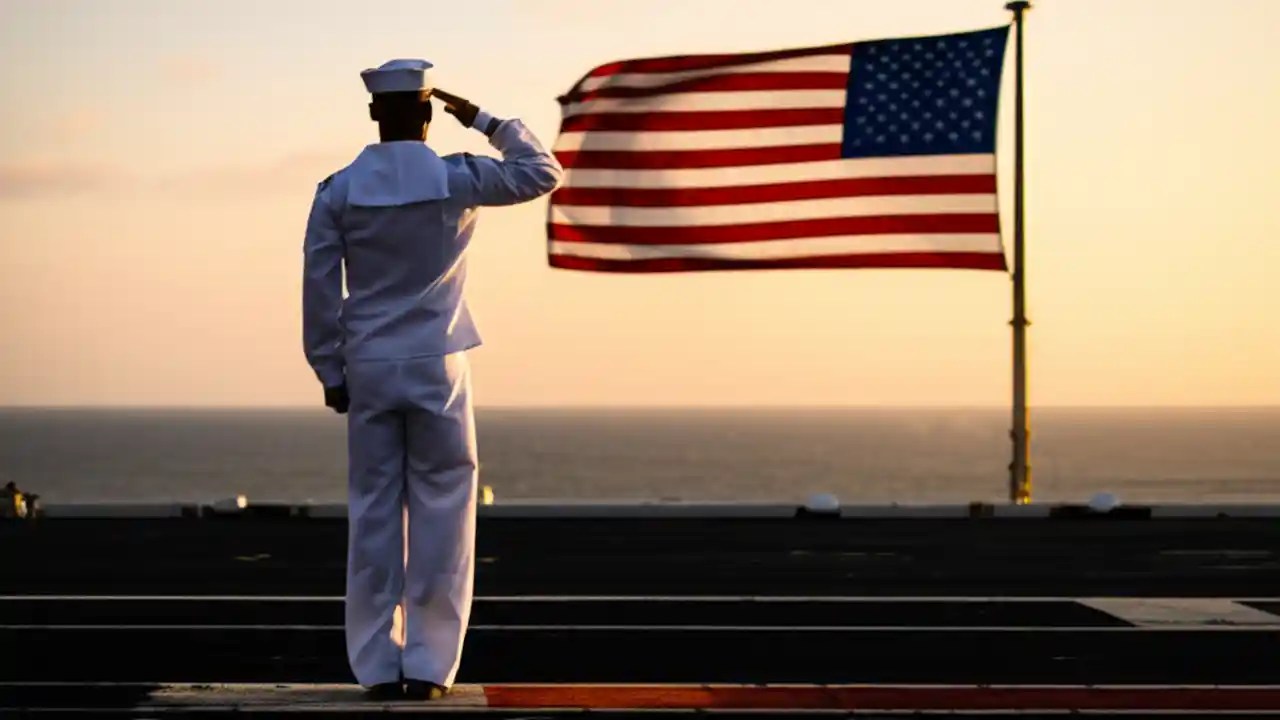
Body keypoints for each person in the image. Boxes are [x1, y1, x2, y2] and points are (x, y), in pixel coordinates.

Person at [301, 58, 562, 700]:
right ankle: (428, 667)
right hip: (438, 360)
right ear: (427, 112)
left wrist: (328, 367)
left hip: (367, 362)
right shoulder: (457, 178)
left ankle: (374, 666)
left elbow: (317, 287)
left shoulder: (337, 190)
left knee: (373, 514)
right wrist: (484, 119)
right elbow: (542, 172)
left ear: (373, 114)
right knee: (445, 511)